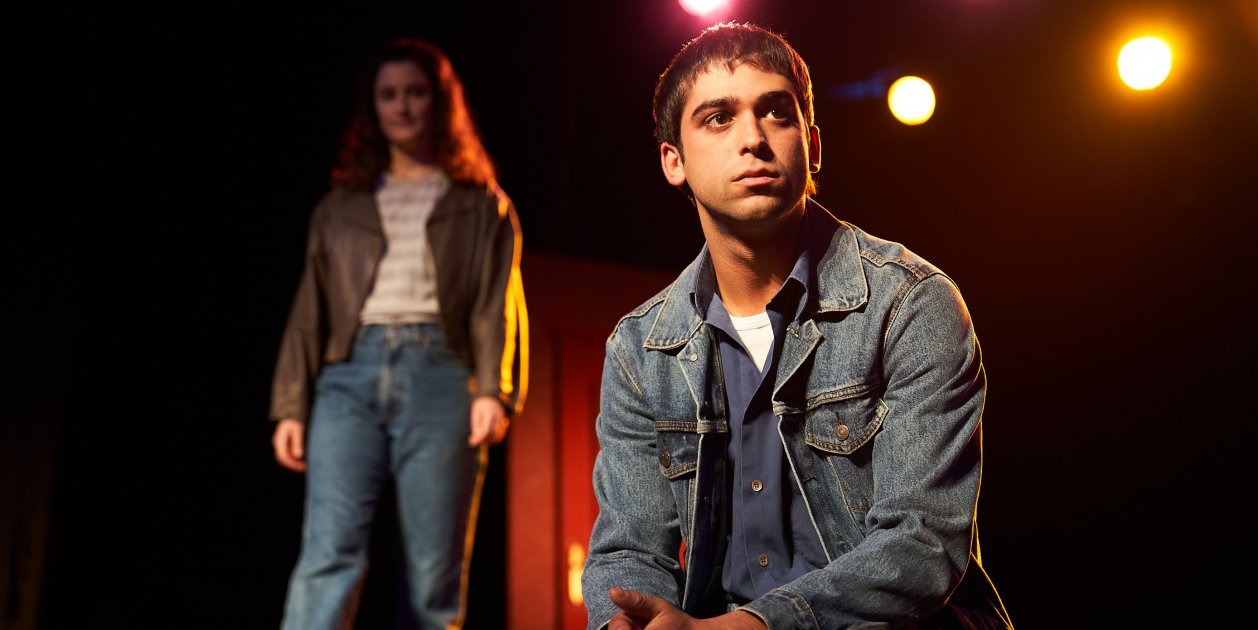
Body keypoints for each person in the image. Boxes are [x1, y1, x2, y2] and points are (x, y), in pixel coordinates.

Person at [581, 22, 1013, 629]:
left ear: (812, 143)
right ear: (673, 161)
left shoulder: (910, 303)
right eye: (718, 118)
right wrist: (626, 621)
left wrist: (753, 627)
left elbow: (922, 547)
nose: (752, 139)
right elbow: (627, 549)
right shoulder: (640, 347)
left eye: (775, 113)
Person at [268, 37, 527, 630]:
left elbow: (498, 302)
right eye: (389, 96)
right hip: (347, 379)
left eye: (415, 94)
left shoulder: (481, 204)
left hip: (441, 375)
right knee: (328, 554)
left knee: (433, 574)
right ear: (373, 107)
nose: (403, 107)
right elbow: (309, 310)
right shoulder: (340, 207)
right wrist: (289, 405)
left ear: (439, 104)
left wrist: (494, 388)